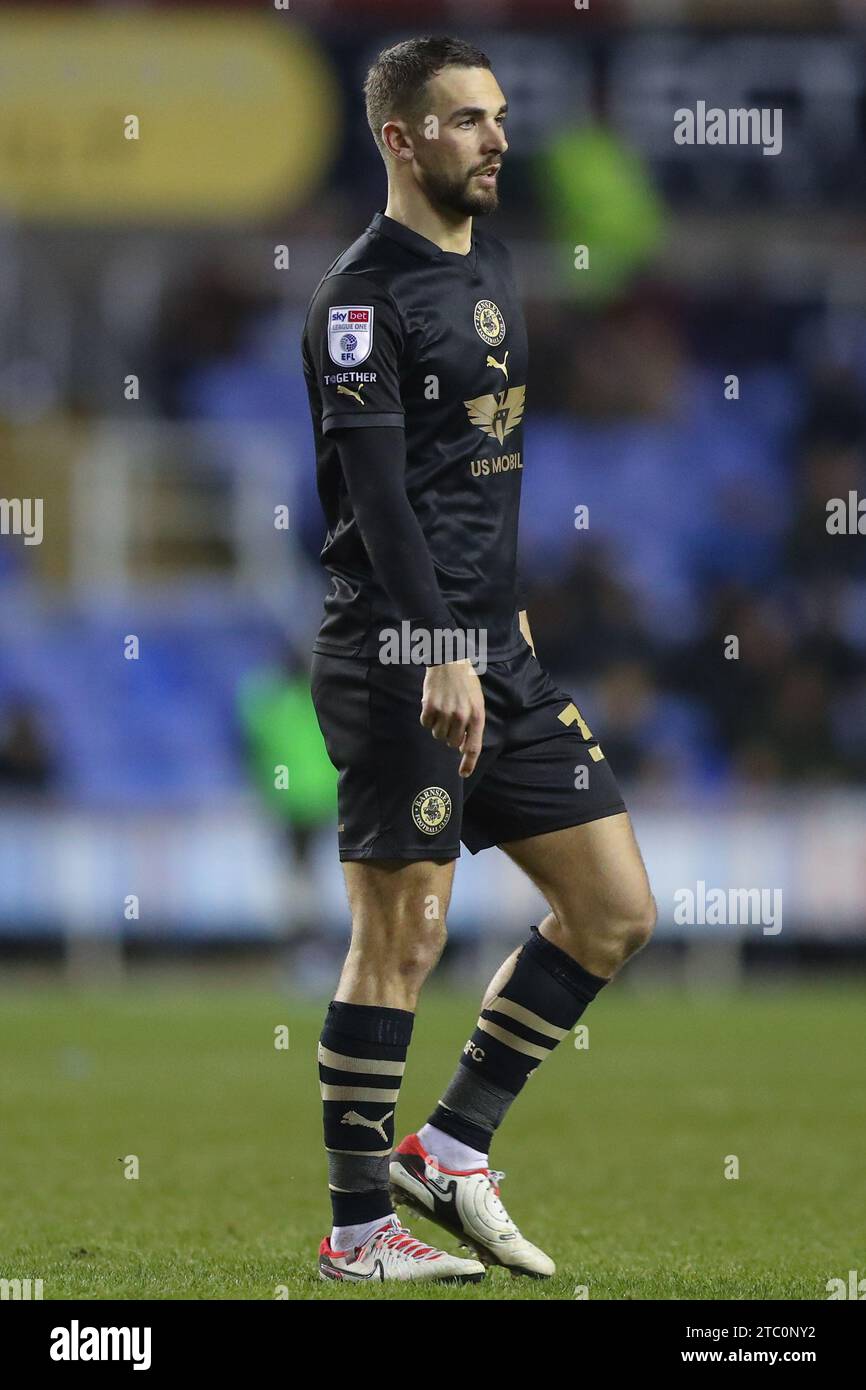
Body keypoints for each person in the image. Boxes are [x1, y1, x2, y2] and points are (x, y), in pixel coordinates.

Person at [301, 35, 656, 1285]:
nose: (496, 138)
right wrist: (443, 644)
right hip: (402, 655)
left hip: (496, 658)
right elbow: (381, 496)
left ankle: (449, 1144)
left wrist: (493, 629)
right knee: (400, 935)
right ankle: (356, 1236)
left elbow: (468, 487)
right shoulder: (360, 299)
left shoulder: (490, 259)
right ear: (399, 139)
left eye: (499, 115)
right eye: (464, 120)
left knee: (613, 909)